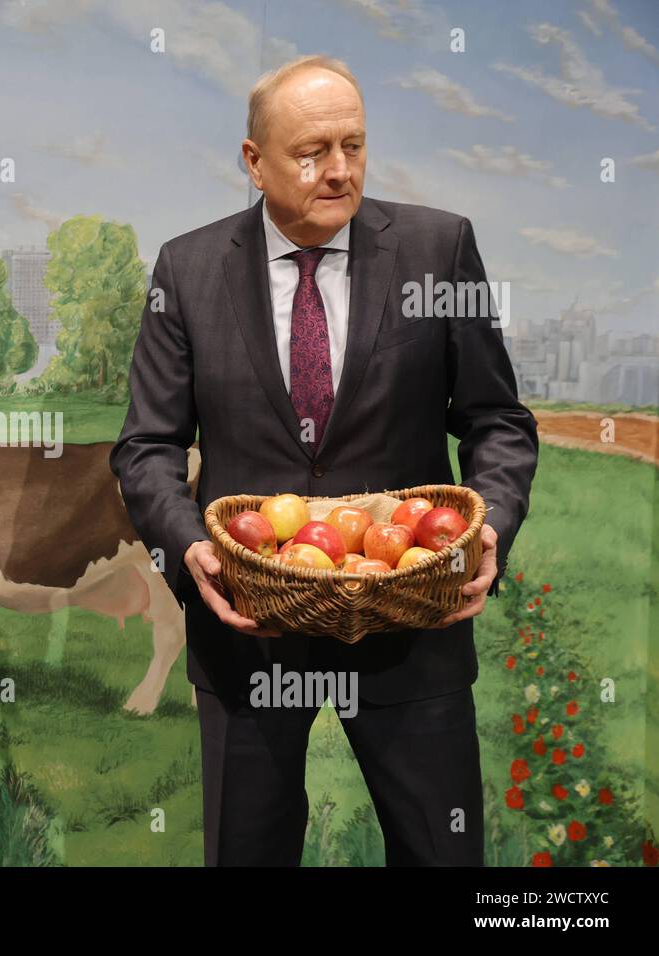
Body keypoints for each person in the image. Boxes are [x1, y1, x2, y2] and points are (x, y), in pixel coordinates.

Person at [110, 56, 538, 866]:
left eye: (354, 145)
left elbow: (498, 421)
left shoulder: (440, 248)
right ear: (253, 161)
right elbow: (146, 446)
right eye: (311, 151)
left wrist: (490, 530)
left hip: (414, 620)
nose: (338, 169)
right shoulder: (188, 269)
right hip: (249, 623)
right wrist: (192, 550)